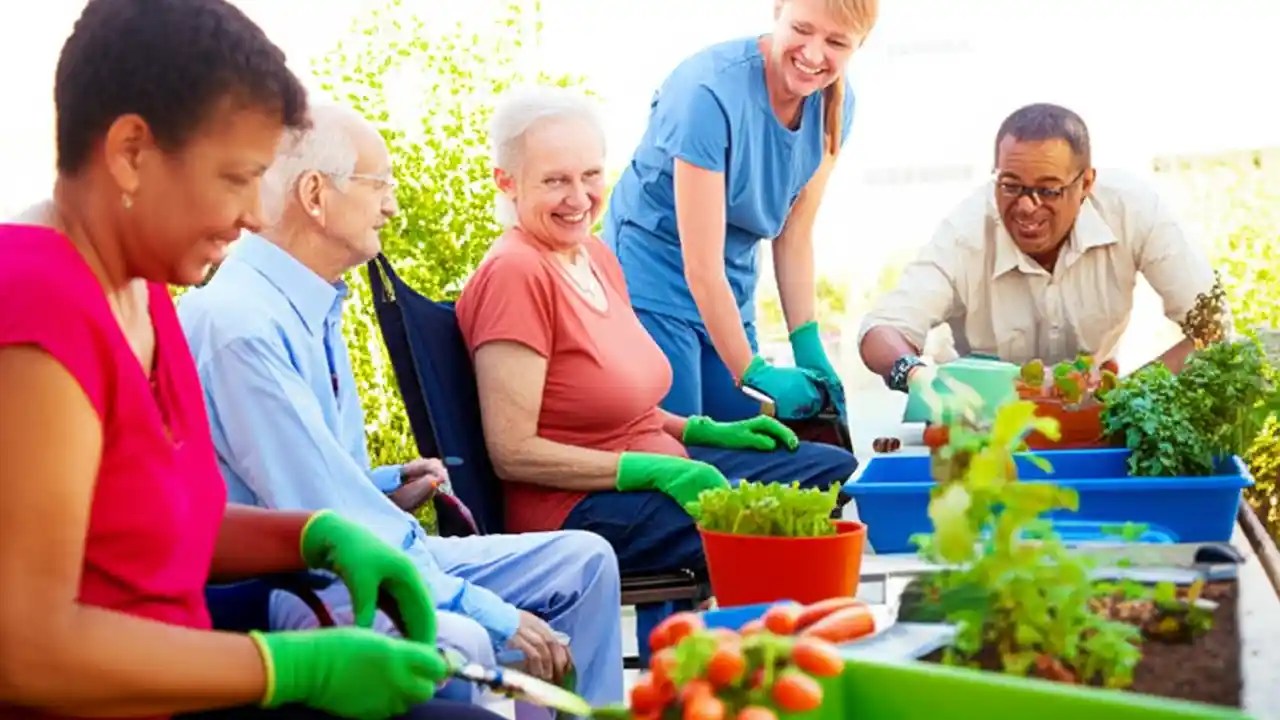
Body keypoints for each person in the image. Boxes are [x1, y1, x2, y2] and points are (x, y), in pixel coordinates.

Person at [0, 2, 507, 720]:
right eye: (238, 178)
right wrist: (288, 668)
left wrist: (310, 536)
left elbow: (157, 521)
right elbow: (26, 651)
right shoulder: (35, 306)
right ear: (131, 153)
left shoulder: (142, 287)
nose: (255, 215)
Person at [176, 104, 625, 706]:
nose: (390, 206)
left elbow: (314, 483)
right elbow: (319, 513)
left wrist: (384, 484)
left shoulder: (312, 303)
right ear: (316, 195)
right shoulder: (240, 326)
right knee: (466, 637)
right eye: (379, 185)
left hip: (364, 546)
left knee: (584, 562)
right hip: (296, 583)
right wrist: (490, 611)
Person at [454, 86, 857, 577]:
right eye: (555, 181)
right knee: (761, 522)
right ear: (507, 182)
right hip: (577, 509)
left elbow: (618, 408)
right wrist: (648, 469)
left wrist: (704, 430)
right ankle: (762, 623)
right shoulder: (515, 275)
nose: (578, 198)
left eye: (590, 175)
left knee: (828, 468)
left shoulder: (594, 256)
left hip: (658, 462)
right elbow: (513, 453)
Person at [601, 0, 879, 423]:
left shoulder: (835, 106)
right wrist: (752, 371)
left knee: (751, 435)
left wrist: (808, 345)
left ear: (860, 44)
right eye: (802, 29)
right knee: (681, 437)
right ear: (778, 10)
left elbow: (794, 235)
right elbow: (701, 267)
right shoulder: (707, 93)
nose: (813, 54)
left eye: (837, 42)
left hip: (729, 288)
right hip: (651, 280)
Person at [858, 102, 1221, 397]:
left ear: (1086, 184)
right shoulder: (963, 235)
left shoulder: (1134, 210)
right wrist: (915, 375)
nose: (1027, 207)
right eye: (1010, 186)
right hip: (986, 425)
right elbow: (882, 329)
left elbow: (1212, 328)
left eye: (1048, 190)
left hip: (1098, 415)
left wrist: (1125, 400)